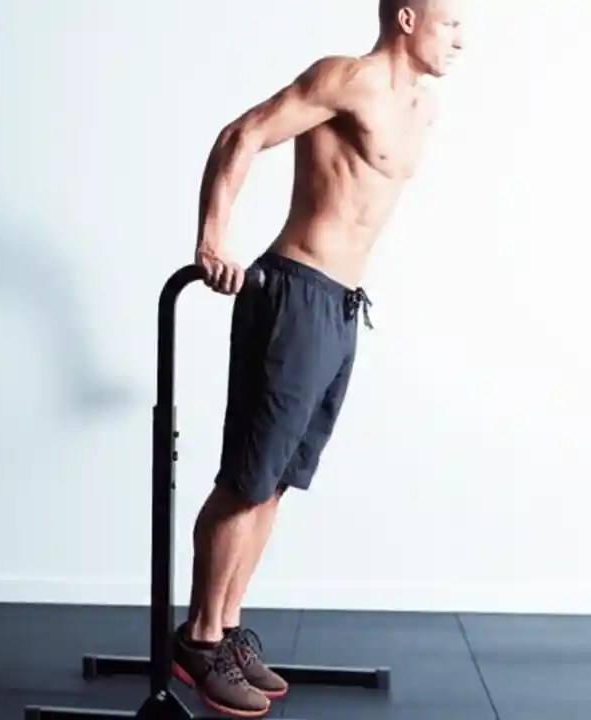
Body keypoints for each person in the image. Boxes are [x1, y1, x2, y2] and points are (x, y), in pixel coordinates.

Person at [172, 0, 466, 716]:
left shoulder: (424, 108)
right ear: (406, 17)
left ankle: (229, 627)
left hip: (341, 307)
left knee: (278, 481)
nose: (460, 41)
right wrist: (213, 239)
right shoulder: (347, 79)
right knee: (248, 474)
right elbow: (242, 134)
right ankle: (199, 639)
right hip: (293, 292)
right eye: (450, 22)